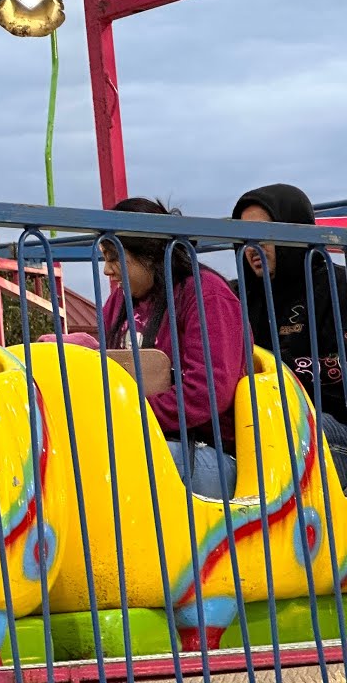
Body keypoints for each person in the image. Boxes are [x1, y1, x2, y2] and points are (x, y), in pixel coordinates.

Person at [101, 198, 247, 499]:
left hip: (214, 451)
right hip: (147, 437)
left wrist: (127, 416)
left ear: (150, 253)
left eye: (115, 258)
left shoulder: (205, 294)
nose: (106, 270)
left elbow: (206, 391)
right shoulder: (118, 302)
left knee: (111, 465)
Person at [232, 184, 347, 488]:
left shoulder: (340, 287)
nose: (254, 246)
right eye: (245, 237)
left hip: (328, 428)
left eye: (265, 233)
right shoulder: (239, 297)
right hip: (262, 428)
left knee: (292, 428)